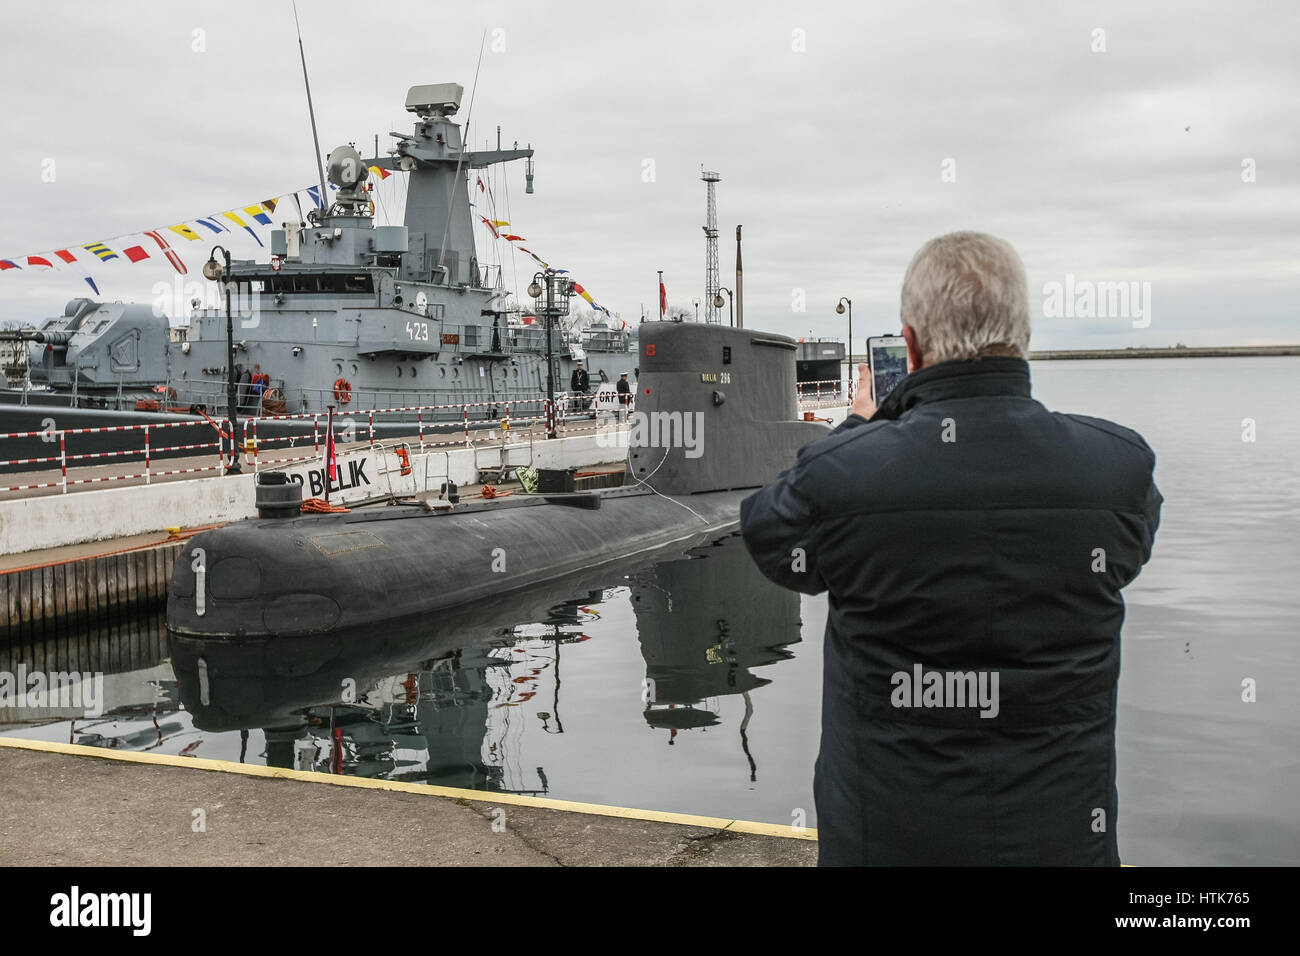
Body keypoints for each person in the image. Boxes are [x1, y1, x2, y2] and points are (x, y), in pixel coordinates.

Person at [740, 231, 1161, 866]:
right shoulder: (1117, 471)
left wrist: (859, 427)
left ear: (908, 345)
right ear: (1022, 337)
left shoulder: (844, 477)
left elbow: (768, 536)